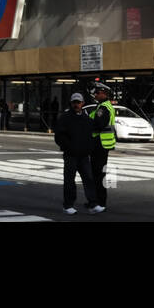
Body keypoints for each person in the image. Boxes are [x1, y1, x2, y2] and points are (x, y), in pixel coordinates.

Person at [55, 93, 102, 215]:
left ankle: (93, 204)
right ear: (71, 103)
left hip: (84, 155)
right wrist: (68, 147)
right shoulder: (65, 118)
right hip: (71, 155)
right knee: (70, 180)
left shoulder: (86, 119)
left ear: (83, 103)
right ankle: (68, 205)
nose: (76, 104)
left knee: (89, 179)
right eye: (74, 102)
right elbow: (59, 136)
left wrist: (89, 148)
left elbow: (91, 135)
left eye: (78, 102)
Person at [88, 83, 115, 212]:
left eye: (97, 93)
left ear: (104, 93)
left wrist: (87, 125)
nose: (95, 95)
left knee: (98, 174)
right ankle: (95, 200)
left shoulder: (103, 108)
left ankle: (100, 202)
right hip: (101, 144)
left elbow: (99, 125)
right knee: (96, 174)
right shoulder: (101, 106)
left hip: (100, 144)